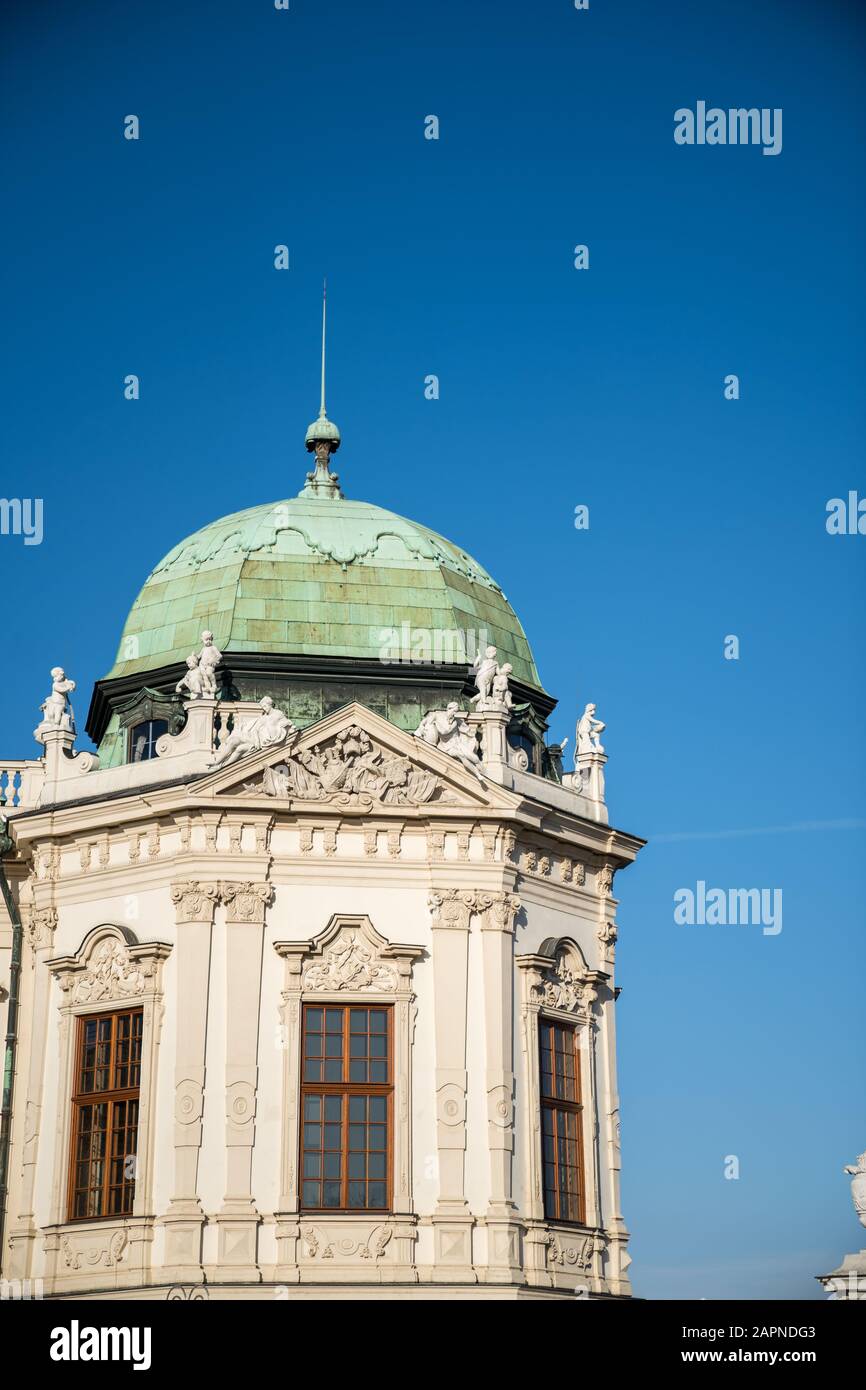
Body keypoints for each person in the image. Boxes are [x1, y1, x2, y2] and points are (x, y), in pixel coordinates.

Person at [210, 696, 293, 769]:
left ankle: (224, 767)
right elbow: (255, 730)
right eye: (262, 707)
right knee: (234, 741)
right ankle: (217, 762)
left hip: (261, 743)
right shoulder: (263, 717)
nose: (264, 708)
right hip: (255, 739)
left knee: (240, 749)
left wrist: (290, 729)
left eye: (264, 706)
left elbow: (287, 724)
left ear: (270, 704)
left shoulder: (278, 714)